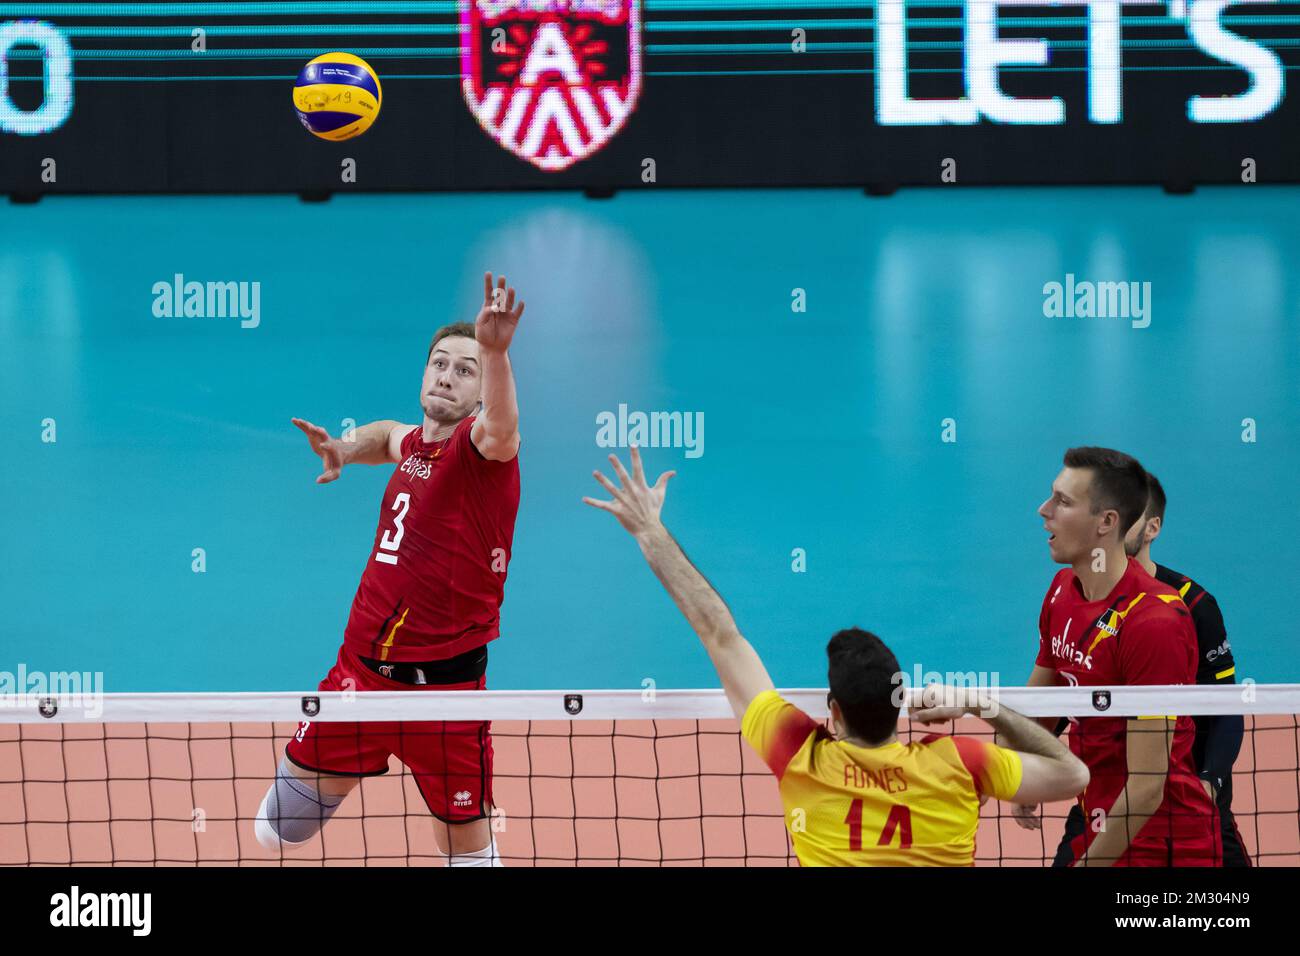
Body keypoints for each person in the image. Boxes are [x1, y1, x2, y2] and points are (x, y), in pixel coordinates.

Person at [583, 447, 1088, 866]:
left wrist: (649, 530)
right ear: (899, 702)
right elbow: (1074, 775)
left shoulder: (800, 755)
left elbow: (721, 634)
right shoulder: (959, 762)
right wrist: (982, 706)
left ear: (834, 711)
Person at [254, 273, 525, 866]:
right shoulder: (419, 445)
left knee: (471, 860)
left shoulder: (482, 453)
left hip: (446, 698)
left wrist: (498, 353)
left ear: (480, 393)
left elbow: (503, 427)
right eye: (439, 364)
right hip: (358, 680)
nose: (447, 376)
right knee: (276, 830)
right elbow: (386, 436)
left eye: (465, 369)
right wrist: (346, 450)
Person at [1022, 446, 1221, 865]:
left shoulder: (1154, 622)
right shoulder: (1062, 589)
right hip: (1095, 820)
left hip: (1160, 846)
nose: (1043, 510)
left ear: (1107, 522)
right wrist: (1021, 769)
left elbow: (1147, 785)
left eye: (1063, 501)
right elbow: (1036, 706)